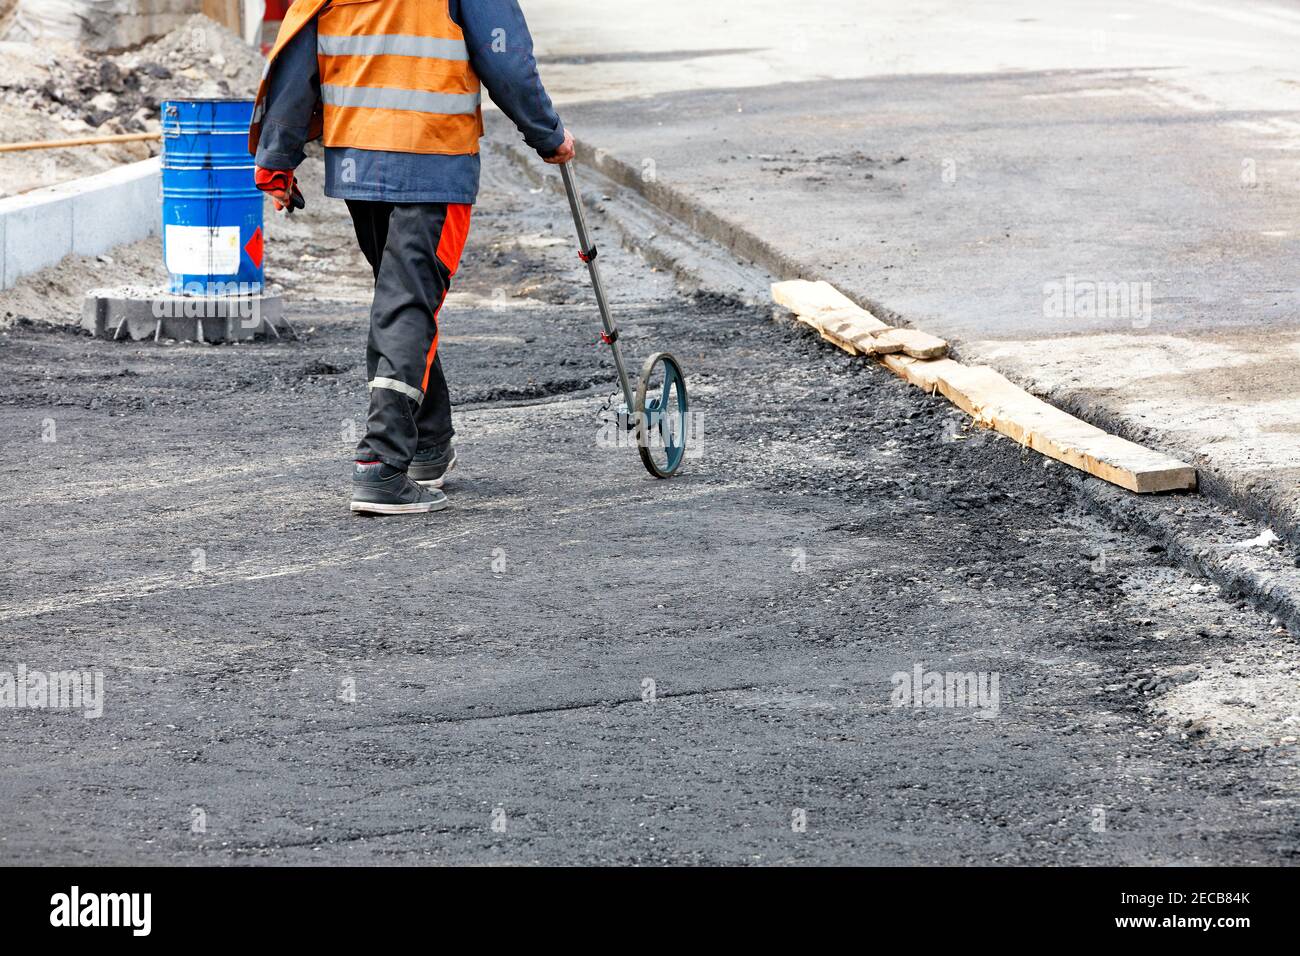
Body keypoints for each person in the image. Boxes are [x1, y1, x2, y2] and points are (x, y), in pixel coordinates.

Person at [248, 0, 575, 515]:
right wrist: (547, 132)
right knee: (408, 302)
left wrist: (277, 156)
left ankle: (428, 440)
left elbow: (297, 53)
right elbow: (505, 58)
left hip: (356, 158)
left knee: (403, 296)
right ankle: (381, 466)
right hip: (432, 157)